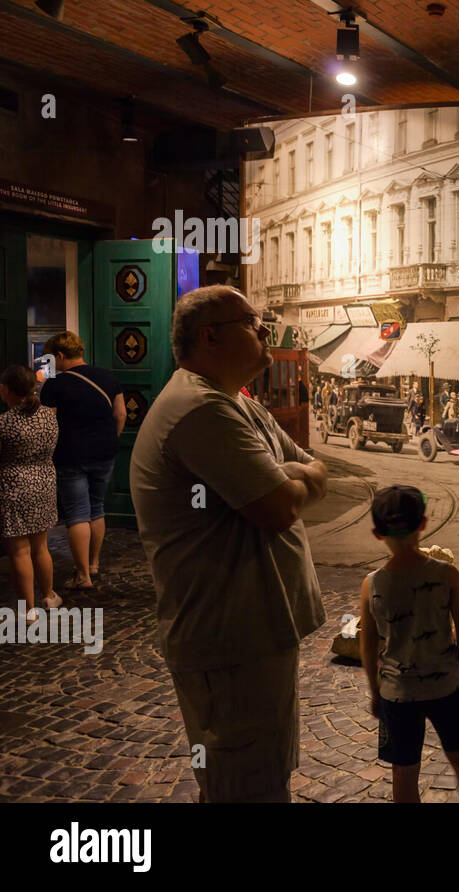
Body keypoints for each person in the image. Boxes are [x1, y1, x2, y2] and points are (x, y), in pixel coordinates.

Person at [130, 285, 329, 802]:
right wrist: (288, 478)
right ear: (211, 336)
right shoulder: (199, 409)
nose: (265, 331)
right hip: (228, 636)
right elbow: (278, 507)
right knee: (244, 785)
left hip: (255, 631)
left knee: (260, 775)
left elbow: (311, 466)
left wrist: (289, 475)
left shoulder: (237, 403)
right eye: (252, 322)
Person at [359, 485, 459, 803]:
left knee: (404, 770)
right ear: (423, 523)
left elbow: (368, 644)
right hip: (446, 685)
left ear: (376, 532)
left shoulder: (371, 585)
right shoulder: (446, 575)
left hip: (397, 693)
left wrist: (374, 690)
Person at [38, 331, 126, 590]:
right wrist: (109, 438)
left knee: (77, 513)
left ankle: (82, 575)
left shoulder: (55, 384)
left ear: (60, 356)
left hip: (70, 454)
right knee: (97, 508)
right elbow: (120, 414)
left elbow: (48, 422)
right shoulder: (108, 377)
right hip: (105, 452)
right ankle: (94, 563)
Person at [0, 365, 61, 621]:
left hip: (14, 485)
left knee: (20, 552)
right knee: (41, 547)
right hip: (45, 482)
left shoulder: (4, 422)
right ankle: (48, 596)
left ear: (8, 391)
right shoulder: (50, 415)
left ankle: (28, 610)